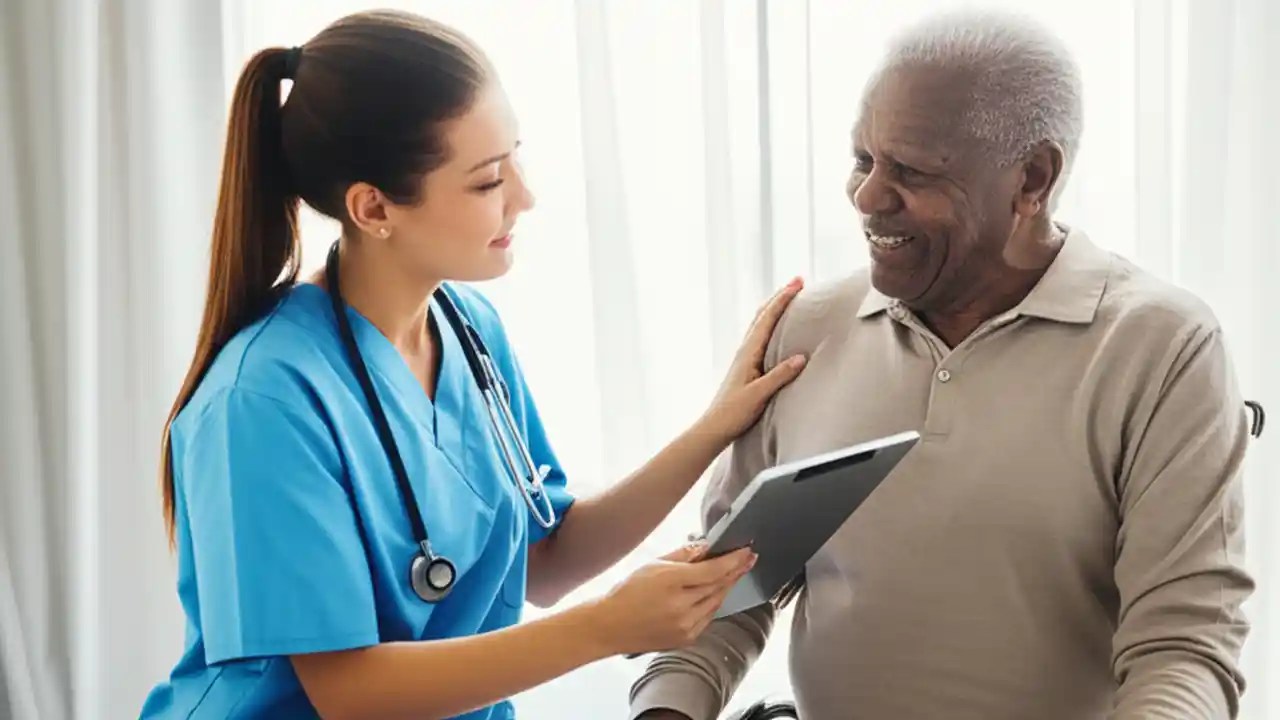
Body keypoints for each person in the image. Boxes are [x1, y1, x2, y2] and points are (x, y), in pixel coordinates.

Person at [139, 10, 810, 720]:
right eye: (488, 181)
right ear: (373, 208)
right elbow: (347, 693)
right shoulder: (262, 401)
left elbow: (549, 559)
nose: (525, 195)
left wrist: (715, 427)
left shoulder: (466, 329)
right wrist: (608, 627)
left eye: (515, 158)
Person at [631, 10, 1253, 720]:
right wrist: (666, 711)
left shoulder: (1162, 348)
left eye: (912, 171)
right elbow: (722, 594)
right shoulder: (808, 329)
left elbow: (1183, 644)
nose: (866, 197)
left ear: (1033, 180)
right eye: (862, 160)